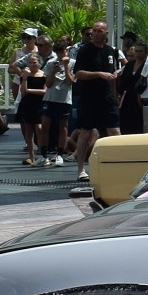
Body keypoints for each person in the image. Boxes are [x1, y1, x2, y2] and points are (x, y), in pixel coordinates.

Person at [68, 20, 118, 180]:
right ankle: (81, 170)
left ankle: (116, 165)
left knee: (115, 132)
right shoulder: (85, 51)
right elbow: (79, 74)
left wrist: (115, 79)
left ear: (106, 34)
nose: (95, 34)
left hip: (108, 98)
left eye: (99, 31)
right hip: (89, 98)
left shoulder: (111, 51)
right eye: (93, 31)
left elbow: (113, 71)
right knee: (85, 133)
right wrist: (98, 74)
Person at [13, 31, 49, 167]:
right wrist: (25, 77)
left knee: (39, 128)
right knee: (28, 129)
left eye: (34, 62)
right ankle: (31, 155)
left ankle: (42, 154)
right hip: (27, 103)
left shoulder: (43, 75)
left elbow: (44, 91)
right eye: (30, 62)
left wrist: (30, 91)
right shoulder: (25, 75)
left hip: (39, 104)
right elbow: (23, 91)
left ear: (39, 63)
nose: (32, 64)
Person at [41, 40, 72, 167]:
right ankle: (43, 155)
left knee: (63, 126)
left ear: (67, 51)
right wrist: (53, 72)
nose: (60, 55)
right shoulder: (50, 63)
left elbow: (70, 82)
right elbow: (47, 84)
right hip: (50, 98)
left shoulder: (73, 63)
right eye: (58, 52)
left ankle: (60, 153)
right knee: (45, 125)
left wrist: (65, 66)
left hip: (64, 99)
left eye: (63, 52)